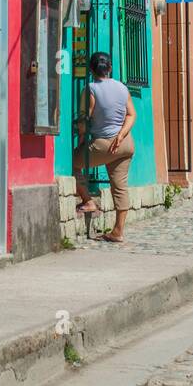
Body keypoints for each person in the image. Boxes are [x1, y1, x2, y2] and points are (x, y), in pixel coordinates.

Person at [73, 51, 136, 243]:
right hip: (125, 144)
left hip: (103, 145)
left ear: (91, 69)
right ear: (109, 68)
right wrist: (122, 134)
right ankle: (118, 231)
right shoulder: (122, 88)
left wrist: (82, 138)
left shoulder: (90, 89)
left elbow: (85, 119)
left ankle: (88, 200)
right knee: (120, 186)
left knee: (73, 165)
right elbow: (131, 115)